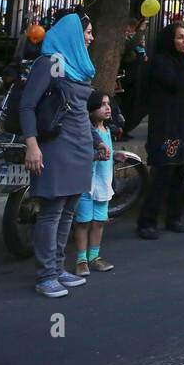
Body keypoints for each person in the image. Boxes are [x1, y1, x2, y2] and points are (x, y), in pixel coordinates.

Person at [20, 11, 98, 298]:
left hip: (80, 146)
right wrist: (32, 145)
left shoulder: (79, 65)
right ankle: (45, 276)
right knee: (52, 213)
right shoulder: (52, 62)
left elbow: (80, 112)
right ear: (72, 35)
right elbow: (27, 105)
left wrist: (96, 141)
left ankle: (58, 268)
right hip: (57, 147)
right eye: (87, 32)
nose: (91, 38)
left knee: (67, 212)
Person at [137, 23, 184, 239]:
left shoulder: (183, 61)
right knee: (164, 174)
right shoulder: (161, 62)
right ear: (170, 40)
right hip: (168, 130)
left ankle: (174, 217)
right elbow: (176, 83)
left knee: (179, 174)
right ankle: (147, 221)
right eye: (179, 37)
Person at [73, 90, 116, 277]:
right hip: (86, 184)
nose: (107, 108)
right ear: (90, 109)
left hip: (103, 185)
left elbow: (108, 154)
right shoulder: (85, 132)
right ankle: (81, 260)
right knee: (83, 222)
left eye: (108, 104)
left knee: (99, 222)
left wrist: (117, 155)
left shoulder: (107, 131)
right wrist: (97, 155)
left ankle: (94, 257)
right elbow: (80, 156)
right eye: (102, 104)